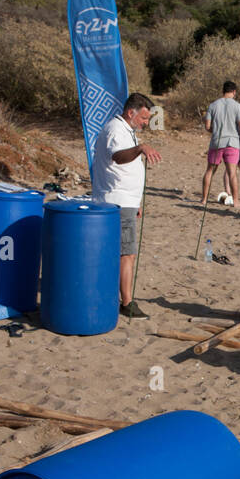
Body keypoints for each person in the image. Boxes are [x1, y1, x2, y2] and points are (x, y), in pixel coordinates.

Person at [89, 93, 161, 319]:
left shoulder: (124, 130)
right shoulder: (116, 130)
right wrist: (141, 148)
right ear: (131, 113)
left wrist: (136, 201)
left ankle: (118, 296)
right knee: (126, 254)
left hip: (126, 201)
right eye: (143, 118)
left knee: (123, 252)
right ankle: (127, 302)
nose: (145, 123)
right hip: (117, 201)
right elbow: (118, 157)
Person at [202, 81, 240, 210]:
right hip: (232, 142)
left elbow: (207, 126)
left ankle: (204, 199)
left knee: (210, 170)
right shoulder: (237, 106)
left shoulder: (213, 105)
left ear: (223, 91)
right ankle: (236, 201)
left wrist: (214, 132)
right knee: (232, 173)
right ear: (234, 91)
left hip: (217, 142)